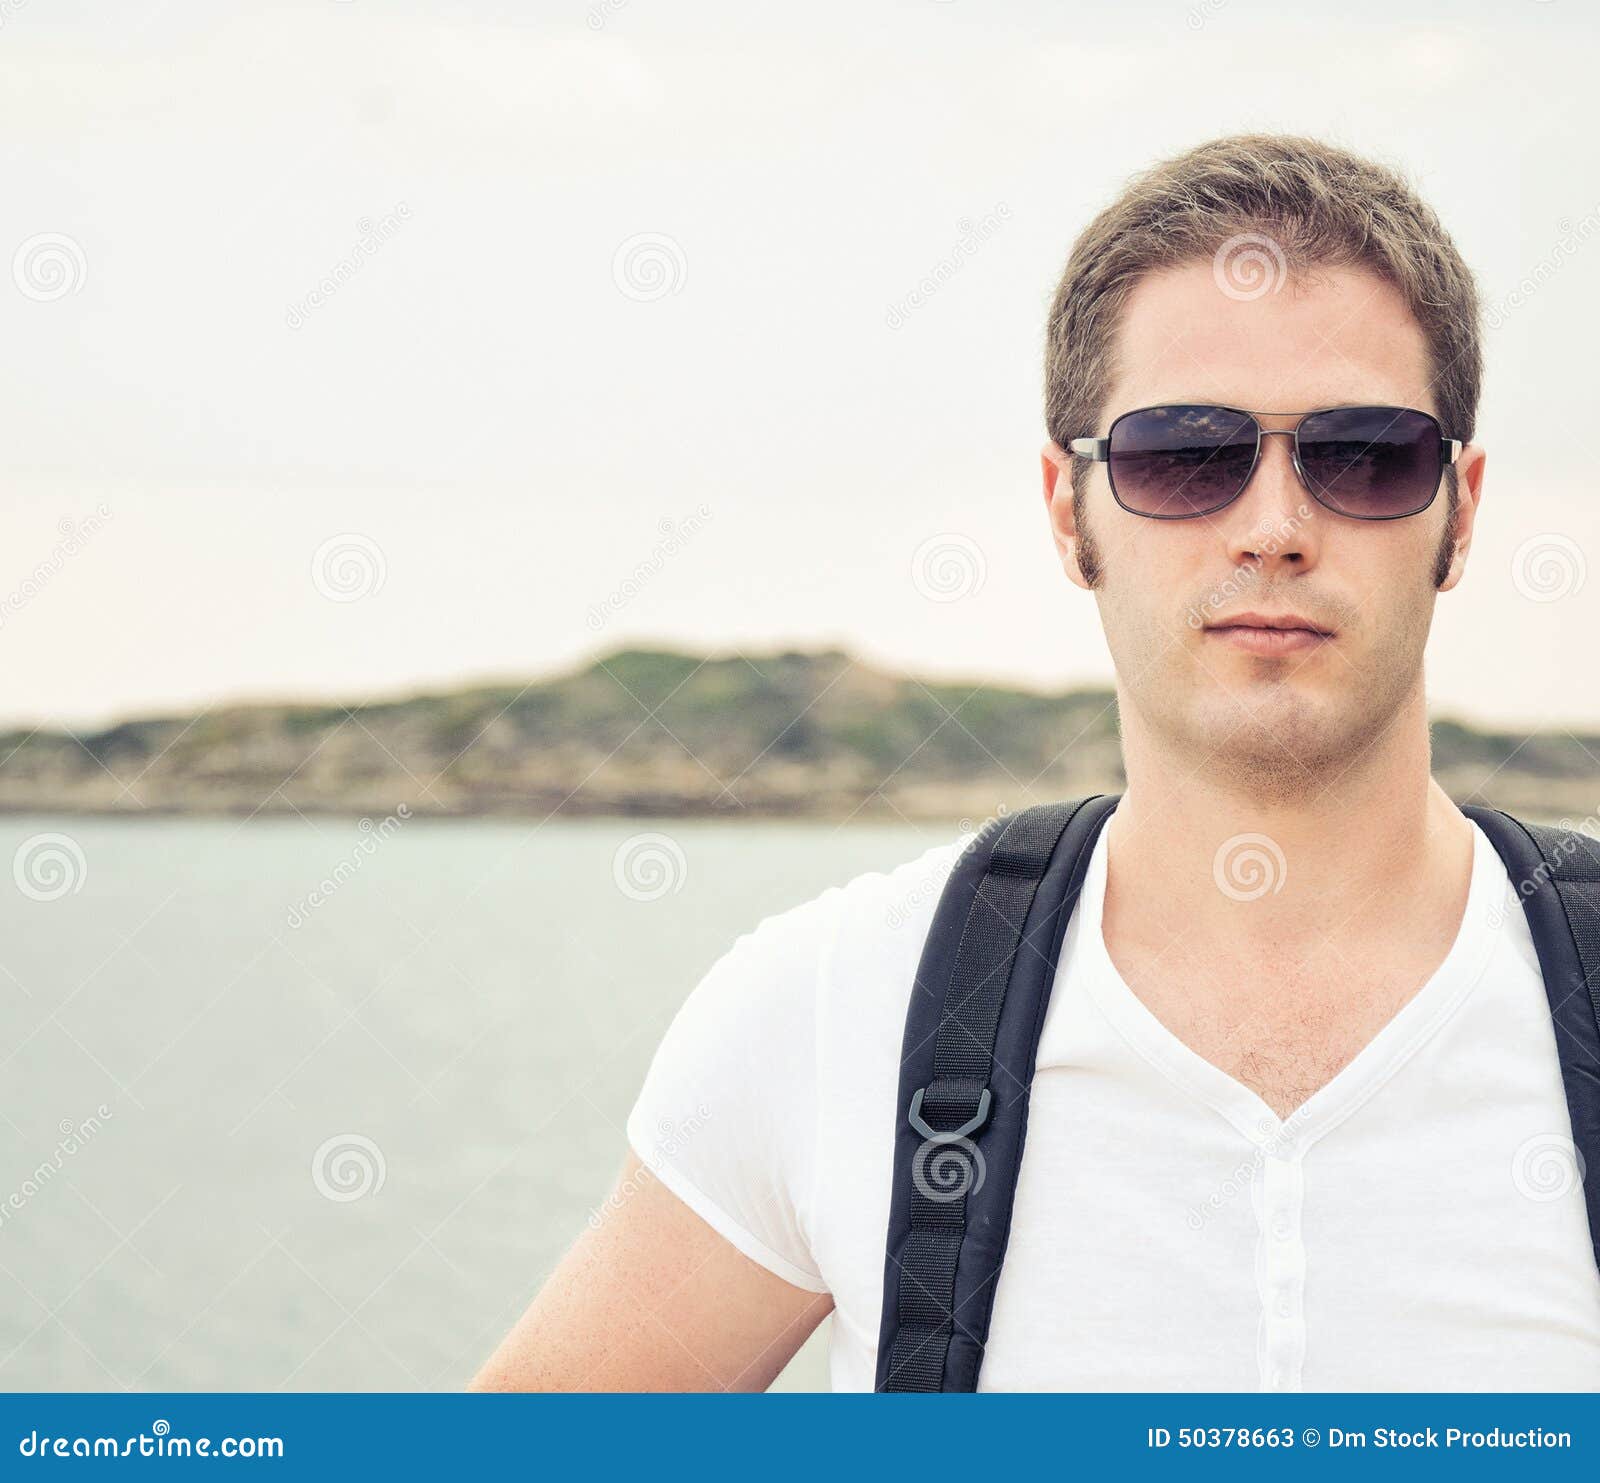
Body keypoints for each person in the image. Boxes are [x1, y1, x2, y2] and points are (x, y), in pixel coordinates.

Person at [472, 133, 1600, 1392]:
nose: (1275, 527)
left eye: (1364, 453)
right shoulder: (835, 1010)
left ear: (1460, 509)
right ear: (1070, 511)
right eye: (1185, 453)